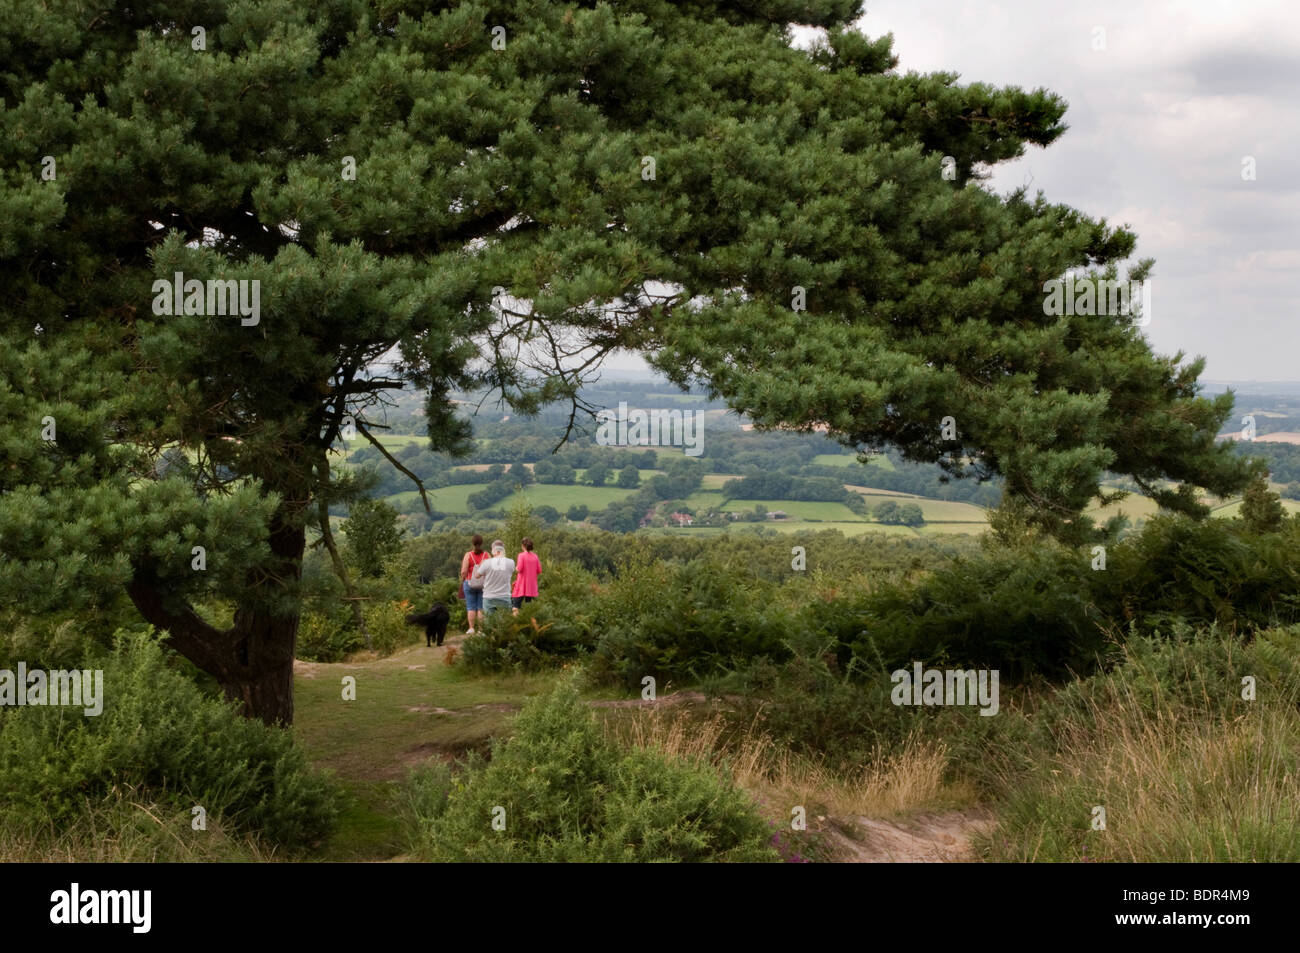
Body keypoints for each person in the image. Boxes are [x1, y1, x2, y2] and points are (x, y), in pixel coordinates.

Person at [471, 539, 515, 616]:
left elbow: (476, 575)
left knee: (489, 623)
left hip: (489, 596)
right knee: (505, 623)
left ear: (493, 550)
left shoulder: (486, 562)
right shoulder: (511, 562)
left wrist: (481, 565)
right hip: (505, 596)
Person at [459, 534, 488, 634]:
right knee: (481, 607)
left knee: (470, 607)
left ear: (473, 543)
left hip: (469, 582)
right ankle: (481, 629)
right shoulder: (486, 555)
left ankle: (471, 628)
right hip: (483, 584)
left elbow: (463, 571)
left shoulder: (468, 555)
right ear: (481, 543)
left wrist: (463, 579)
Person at [511, 537, 541, 615]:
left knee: (515, 605)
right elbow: (539, 570)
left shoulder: (521, 555)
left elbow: (519, 569)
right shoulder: (535, 556)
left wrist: (515, 568)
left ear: (523, 546)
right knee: (528, 607)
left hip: (521, 584)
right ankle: (529, 623)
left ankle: (516, 624)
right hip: (531, 586)